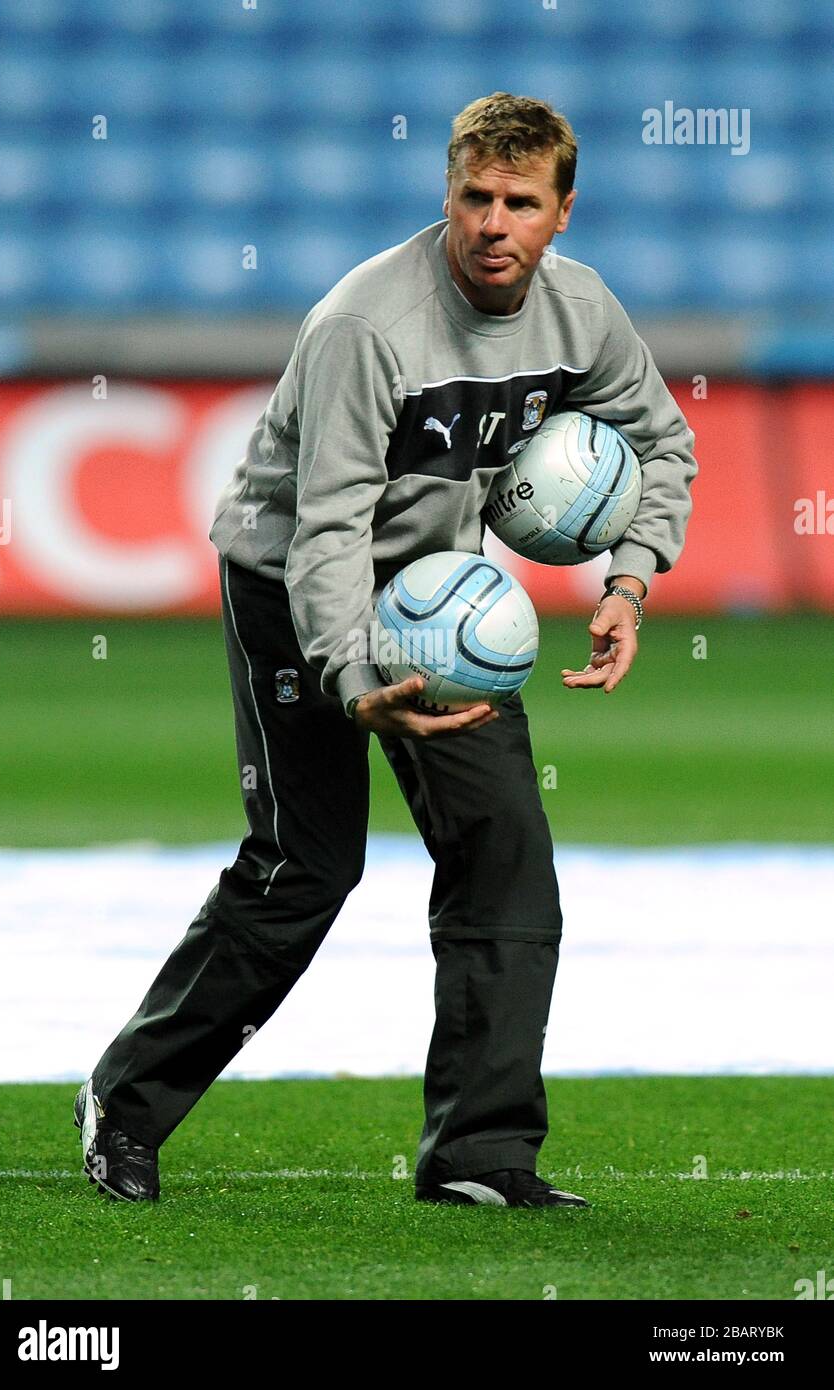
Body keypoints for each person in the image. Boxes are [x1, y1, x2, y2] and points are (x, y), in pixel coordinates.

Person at [75, 92, 697, 1210]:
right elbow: (327, 528)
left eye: (520, 202)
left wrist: (629, 578)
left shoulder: (583, 312)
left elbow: (659, 440)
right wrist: (353, 681)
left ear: (561, 213)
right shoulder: (367, 325)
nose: (492, 223)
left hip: (440, 599)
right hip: (291, 584)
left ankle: (479, 1152)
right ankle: (125, 1101)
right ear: (445, 194)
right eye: (473, 197)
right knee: (305, 867)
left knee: (504, 853)